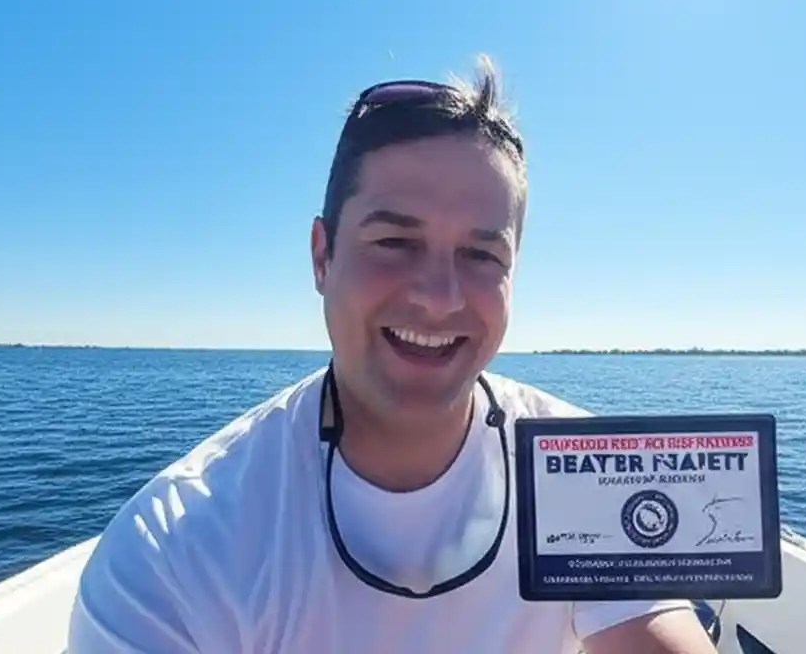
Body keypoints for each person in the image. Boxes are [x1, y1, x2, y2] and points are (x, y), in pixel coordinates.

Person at [67, 55, 718, 653]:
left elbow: (653, 631)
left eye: (481, 255)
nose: (439, 298)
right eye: (394, 242)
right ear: (322, 256)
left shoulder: (587, 473)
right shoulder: (174, 549)